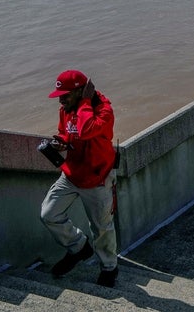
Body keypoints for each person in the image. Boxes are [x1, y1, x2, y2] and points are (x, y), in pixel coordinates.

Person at [39, 69, 119, 287]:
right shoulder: (67, 109)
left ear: (81, 92)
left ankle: (109, 268)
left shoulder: (104, 111)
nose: (61, 100)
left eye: (65, 95)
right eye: (59, 96)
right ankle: (78, 247)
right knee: (48, 214)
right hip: (72, 174)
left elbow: (85, 130)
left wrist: (84, 102)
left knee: (102, 228)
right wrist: (61, 141)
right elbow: (68, 132)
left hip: (98, 178)